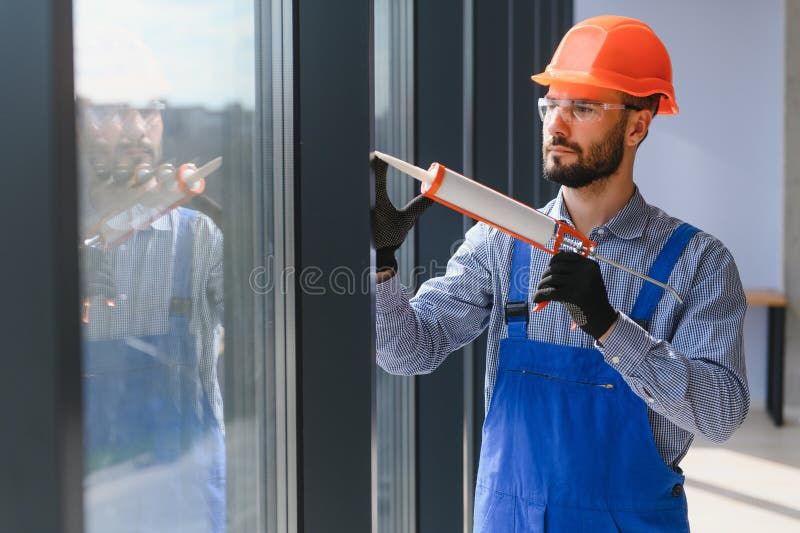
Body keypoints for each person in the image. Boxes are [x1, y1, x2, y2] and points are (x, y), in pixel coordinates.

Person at [373, 15, 748, 532]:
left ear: (638, 124)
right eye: (551, 105)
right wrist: (381, 266)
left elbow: (721, 413)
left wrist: (609, 327)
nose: (557, 123)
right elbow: (407, 352)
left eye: (584, 108)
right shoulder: (502, 242)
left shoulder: (700, 263)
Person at [76, 29, 225, 533]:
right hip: (76, 494)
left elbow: (279, 310)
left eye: (150, 111)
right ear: (74, 123)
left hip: (179, 500)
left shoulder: (199, 236)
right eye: (116, 111)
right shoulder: (39, 238)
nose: (139, 130)